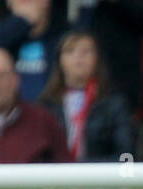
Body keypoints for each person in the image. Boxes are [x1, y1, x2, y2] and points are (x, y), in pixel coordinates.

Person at [39, 30, 136, 163]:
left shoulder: (114, 103)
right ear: (59, 60)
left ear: (97, 58)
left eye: (86, 51)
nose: (79, 57)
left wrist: (85, 169)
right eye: (70, 51)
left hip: (100, 179)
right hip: (56, 180)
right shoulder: (45, 104)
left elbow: (126, 154)